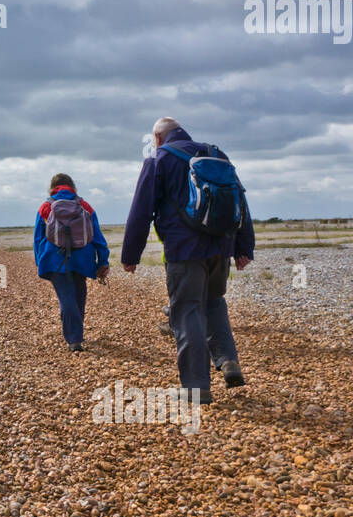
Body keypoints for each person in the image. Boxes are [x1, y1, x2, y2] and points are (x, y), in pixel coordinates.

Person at [120, 118, 254, 402]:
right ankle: (228, 360)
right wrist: (244, 247)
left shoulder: (159, 158)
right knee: (215, 301)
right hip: (222, 247)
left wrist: (131, 254)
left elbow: (141, 210)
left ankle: (197, 387)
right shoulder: (217, 155)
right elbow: (241, 202)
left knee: (188, 310)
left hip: (184, 249)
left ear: (158, 136)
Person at [34, 173, 110, 352]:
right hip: (82, 259)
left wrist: (40, 261)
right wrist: (103, 260)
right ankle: (76, 333)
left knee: (66, 297)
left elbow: (38, 239)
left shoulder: (45, 207)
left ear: (52, 188)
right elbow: (97, 236)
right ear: (72, 186)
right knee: (79, 295)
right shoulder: (85, 207)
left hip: (54, 260)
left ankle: (74, 338)